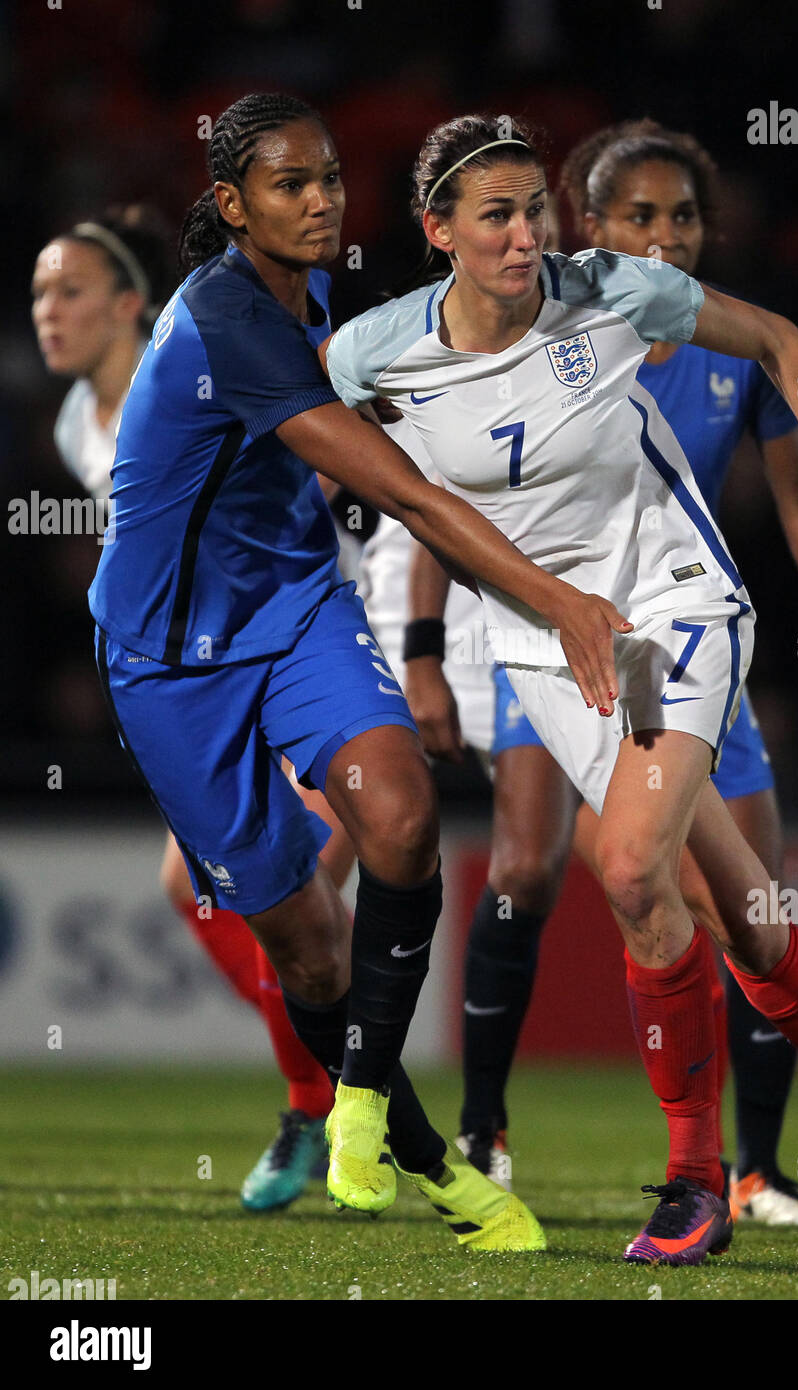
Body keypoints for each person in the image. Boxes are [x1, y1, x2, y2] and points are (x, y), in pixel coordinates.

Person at [323, 113, 798, 1266]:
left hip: (669, 608)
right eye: (495, 214)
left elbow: (779, 338)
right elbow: (407, 503)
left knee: (631, 867)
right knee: (740, 910)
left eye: (533, 206)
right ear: (438, 231)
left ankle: (695, 1180)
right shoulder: (370, 358)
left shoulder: (611, 292)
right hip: (546, 653)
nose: (525, 232)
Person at [86, 92, 630, 1253]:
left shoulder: (314, 299)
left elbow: (369, 429)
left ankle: (364, 1107)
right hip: (169, 660)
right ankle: (430, 1159)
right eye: (290, 185)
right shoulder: (226, 319)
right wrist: (559, 601)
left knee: (400, 815)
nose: (323, 199)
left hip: (295, 606)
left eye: (330, 176)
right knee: (308, 948)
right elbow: (404, 491)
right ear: (233, 206)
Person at [406, 118, 798, 1224]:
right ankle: (487, 1125)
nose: (662, 236)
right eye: (637, 218)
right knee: (526, 864)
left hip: (681, 641)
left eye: (681, 216)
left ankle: (752, 1167)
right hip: (549, 644)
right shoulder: (557, 327)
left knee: (747, 897)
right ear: (588, 226)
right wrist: (426, 650)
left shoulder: (720, 349)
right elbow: (441, 504)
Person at [30, 203, 342, 1214]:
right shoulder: (79, 424)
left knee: (281, 885)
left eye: (70, 289)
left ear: (133, 306)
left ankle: (374, 1106)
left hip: (301, 626)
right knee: (205, 889)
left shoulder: (201, 353)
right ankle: (333, 1098)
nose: (47, 310)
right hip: (208, 663)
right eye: (37, 292)